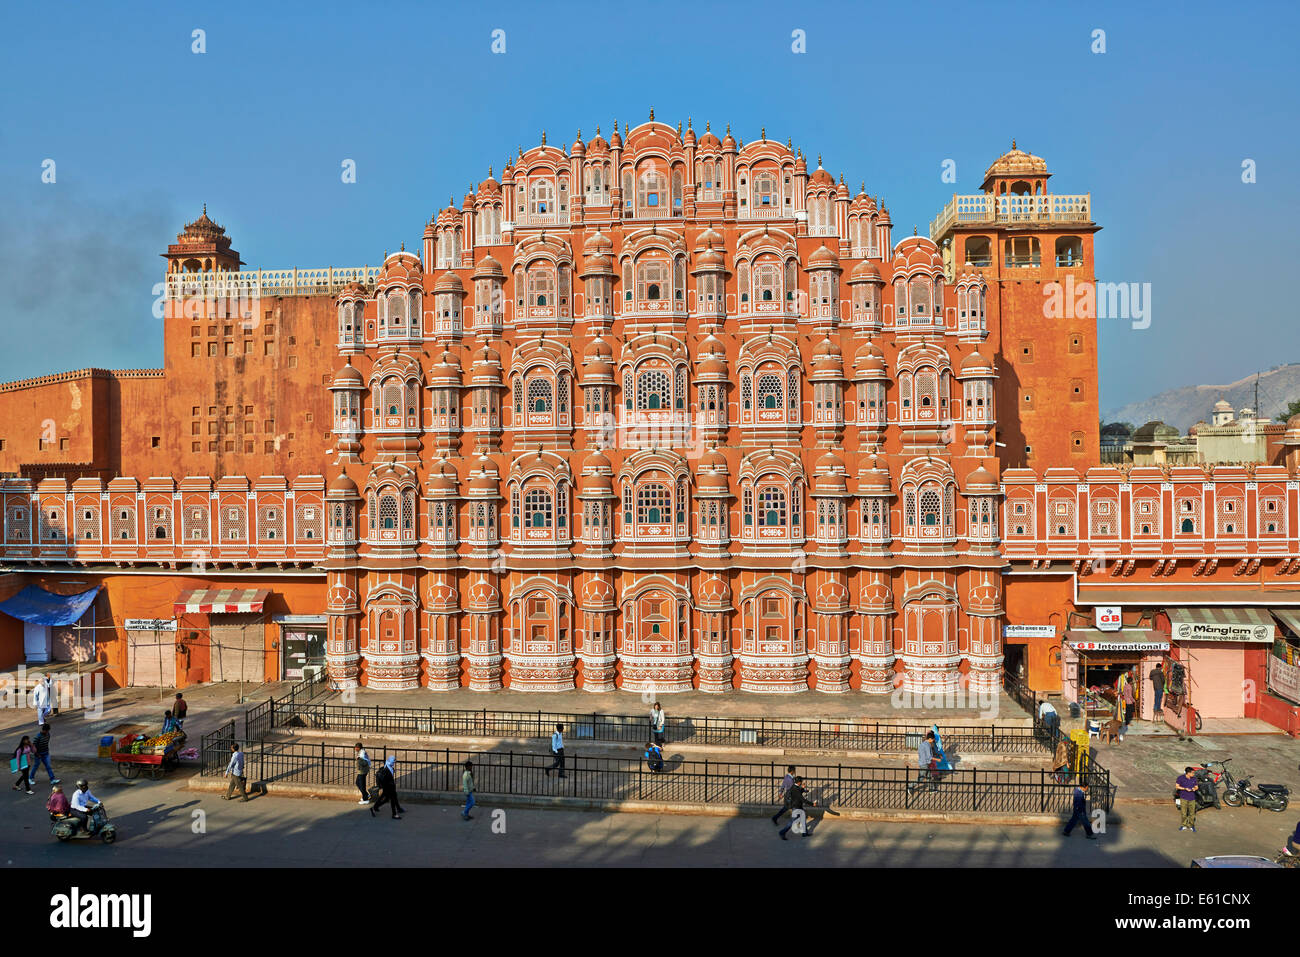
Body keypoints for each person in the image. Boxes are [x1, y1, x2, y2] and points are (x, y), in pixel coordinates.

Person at [371, 755, 403, 819]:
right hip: (389, 787)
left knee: (386, 799)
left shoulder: (388, 766)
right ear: (391, 761)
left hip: (389, 787)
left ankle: (374, 807)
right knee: (392, 800)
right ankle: (394, 814)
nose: (394, 762)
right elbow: (386, 779)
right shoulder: (386, 769)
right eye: (393, 761)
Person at [1176, 767, 1199, 832]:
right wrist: (1185, 789)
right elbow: (1177, 786)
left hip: (1192, 798)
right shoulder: (1180, 778)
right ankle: (1184, 825)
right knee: (1184, 813)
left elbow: (1196, 787)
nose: (1193, 774)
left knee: (1192, 813)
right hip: (1184, 798)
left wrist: (1194, 789)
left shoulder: (1194, 779)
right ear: (1188, 773)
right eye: (1192, 773)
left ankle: (1191, 825)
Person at [1119, 670, 1136, 740]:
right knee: (1129, 712)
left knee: (1127, 711)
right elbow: (1130, 695)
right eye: (1132, 681)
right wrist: (1133, 700)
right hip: (1129, 701)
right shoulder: (1130, 687)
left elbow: (1124, 693)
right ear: (1130, 681)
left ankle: (1126, 722)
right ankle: (1127, 722)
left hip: (1126, 700)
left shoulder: (1125, 686)